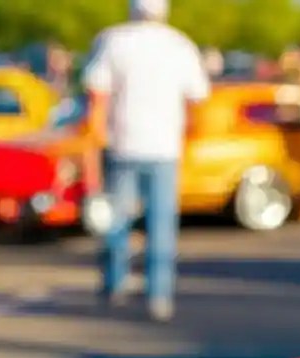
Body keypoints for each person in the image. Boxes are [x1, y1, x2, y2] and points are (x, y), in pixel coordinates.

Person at [82, 0, 210, 322]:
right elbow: (197, 103)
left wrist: (93, 141)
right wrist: (187, 137)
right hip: (165, 149)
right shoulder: (180, 45)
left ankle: (114, 284)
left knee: (116, 222)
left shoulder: (114, 40)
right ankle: (159, 295)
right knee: (162, 225)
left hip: (123, 145)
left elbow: (97, 98)